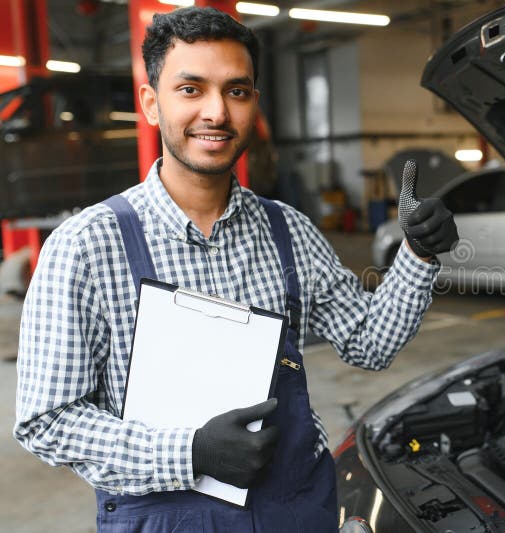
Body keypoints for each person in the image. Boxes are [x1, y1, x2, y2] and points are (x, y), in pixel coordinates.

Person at [13, 7, 458, 532]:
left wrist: (418, 254)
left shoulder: (286, 231)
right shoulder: (86, 247)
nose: (216, 112)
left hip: (296, 507)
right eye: (191, 89)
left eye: (236, 91)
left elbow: (369, 343)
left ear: (254, 104)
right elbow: (47, 422)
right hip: (166, 519)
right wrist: (190, 452)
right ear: (151, 104)